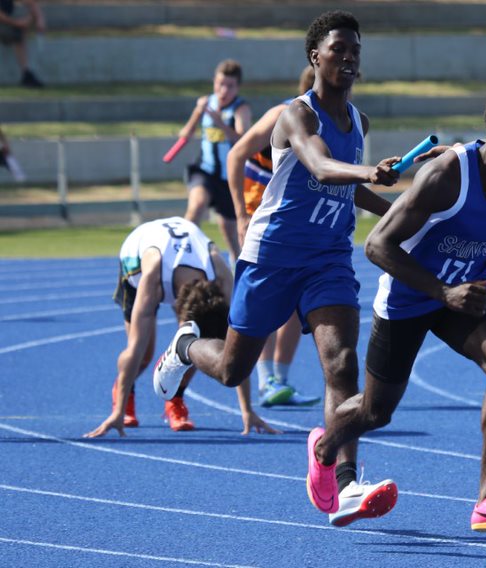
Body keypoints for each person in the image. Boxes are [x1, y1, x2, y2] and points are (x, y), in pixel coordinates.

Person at [153, 11, 403, 527]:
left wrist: (403, 211)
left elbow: (350, 188)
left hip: (329, 258)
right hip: (272, 257)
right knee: (231, 371)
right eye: (339, 48)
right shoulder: (296, 115)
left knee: (342, 364)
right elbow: (318, 165)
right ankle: (184, 346)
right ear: (316, 56)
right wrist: (367, 170)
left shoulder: (360, 122)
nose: (350, 57)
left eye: (356, 49)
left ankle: (347, 483)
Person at [310, 83, 486, 535]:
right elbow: (377, 244)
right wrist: (443, 292)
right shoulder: (446, 178)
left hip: (463, 296)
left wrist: (454, 295)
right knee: (377, 412)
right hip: (408, 296)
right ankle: (325, 450)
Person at [84, 216, 279, 438]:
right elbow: (134, 348)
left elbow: (237, 346)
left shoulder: (222, 277)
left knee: (196, 350)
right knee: (144, 353)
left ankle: (175, 396)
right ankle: (123, 393)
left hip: (183, 251)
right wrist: (117, 412)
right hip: (138, 256)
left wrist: (247, 410)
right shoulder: (152, 279)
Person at [226, 64, 320, 407]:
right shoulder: (283, 113)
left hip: (294, 220)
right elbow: (236, 153)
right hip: (259, 210)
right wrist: (239, 214)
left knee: (298, 302)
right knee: (264, 299)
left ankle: (279, 379)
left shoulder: (340, 122)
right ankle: (265, 378)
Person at [179, 59, 251, 267]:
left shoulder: (240, 109)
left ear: (237, 87)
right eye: (220, 84)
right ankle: (183, 254)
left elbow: (243, 141)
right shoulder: (206, 103)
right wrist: (197, 111)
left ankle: (236, 266)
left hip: (230, 178)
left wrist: (219, 122)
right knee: (196, 206)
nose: (223, 90)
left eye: (230, 86)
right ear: (214, 82)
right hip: (205, 171)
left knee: (230, 231)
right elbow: (186, 133)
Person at [0, 0, 45, 88]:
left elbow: (30, 2)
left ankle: (26, 75)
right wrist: (18, 23)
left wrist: (40, 18)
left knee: (18, 32)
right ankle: (26, 75)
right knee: (17, 31)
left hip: (6, 23)